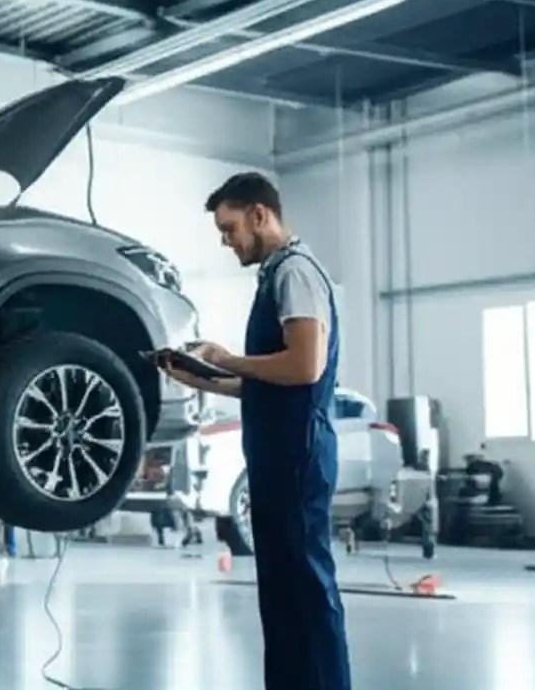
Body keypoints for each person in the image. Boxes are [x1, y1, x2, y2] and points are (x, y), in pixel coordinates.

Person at [160, 172, 351, 690]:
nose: (226, 241)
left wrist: (227, 356)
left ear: (260, 215)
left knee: (306, 592)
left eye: (229, 228)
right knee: (284, 594)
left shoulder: (296, 273)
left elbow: (305, 367)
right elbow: (270, 383)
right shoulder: (275, 276)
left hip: (297, 455)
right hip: (277, 455)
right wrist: (205, 376)